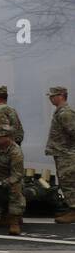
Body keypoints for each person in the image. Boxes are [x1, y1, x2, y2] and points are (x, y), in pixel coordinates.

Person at [45, 86, 75, 225]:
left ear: (61, 95)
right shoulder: (60, 112)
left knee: (69, 183)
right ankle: (71, 208)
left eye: (53, 96)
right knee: (65, 181)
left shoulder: (65, 113)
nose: (51, 98)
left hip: (67, 154)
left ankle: (74, 210)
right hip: (62, 153)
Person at [0, 85, 24, 170]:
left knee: (2, 180)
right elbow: (18, 134)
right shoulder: (10, 109)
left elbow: (4, 137)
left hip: (3, 156)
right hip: (13, 152)